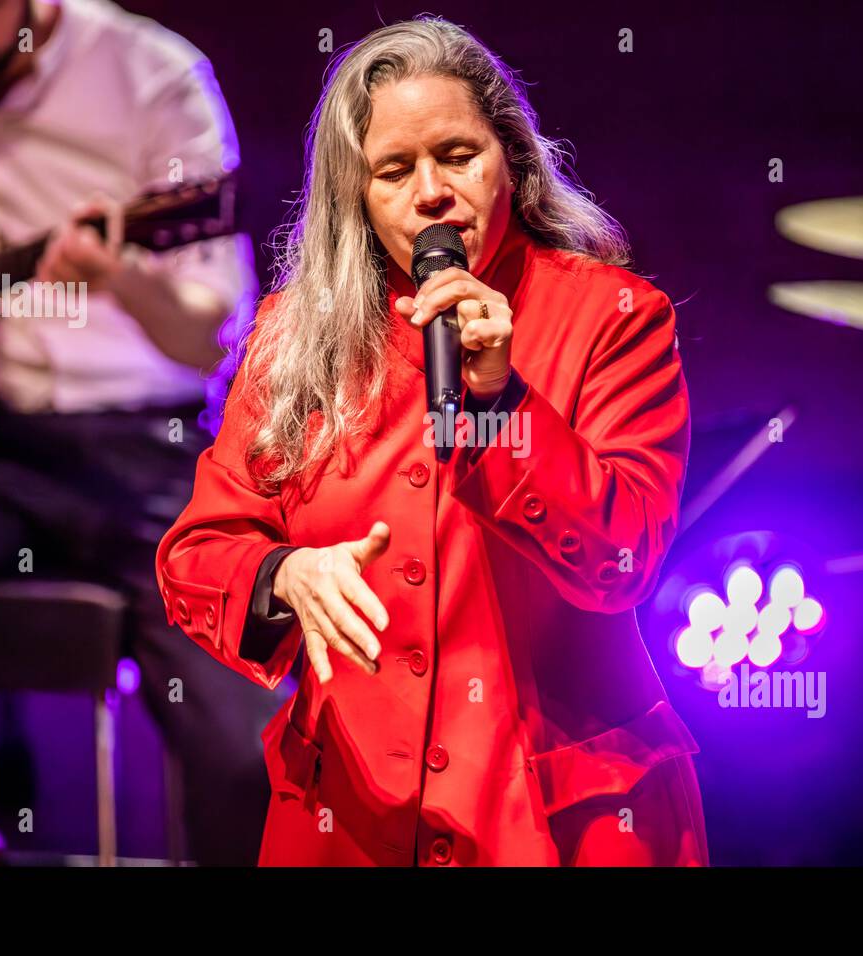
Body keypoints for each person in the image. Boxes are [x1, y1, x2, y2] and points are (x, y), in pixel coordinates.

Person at [157, 16, 709, 866]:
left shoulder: (612, 317)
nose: (431, 193)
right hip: (351, 819)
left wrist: (500, 402)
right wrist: (285, 574)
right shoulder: (291, 337)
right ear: (355, 195)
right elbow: (199, 554)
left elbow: (623, 559)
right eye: (393, 170)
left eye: (457, 156)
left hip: (561, 822)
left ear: (510, 160)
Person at [0, 0, 288, 865]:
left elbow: (216, 335)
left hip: (141, 453)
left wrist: (121, 280)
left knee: (246, 741)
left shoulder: (154, 75)